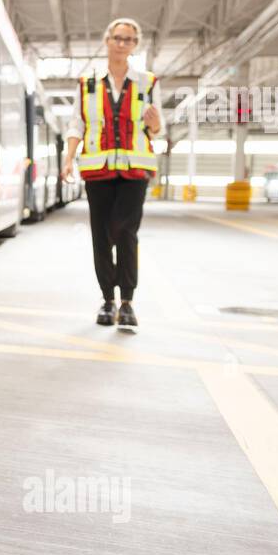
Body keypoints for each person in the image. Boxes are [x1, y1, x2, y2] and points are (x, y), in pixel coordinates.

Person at [60, 18, 163, 329]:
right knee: (101, 236)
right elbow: (77, 123)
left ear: (135, 45)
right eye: (117, 37)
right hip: (97, 170)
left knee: (125, 231)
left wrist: (156, 122)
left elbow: (157, 129)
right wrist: (68, 158)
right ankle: (108, 299)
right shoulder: (87, 82)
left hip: (135, 171)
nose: (122, 43)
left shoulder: (148, 82)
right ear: (107, 41)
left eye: (129, 39)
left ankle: (128, 301)